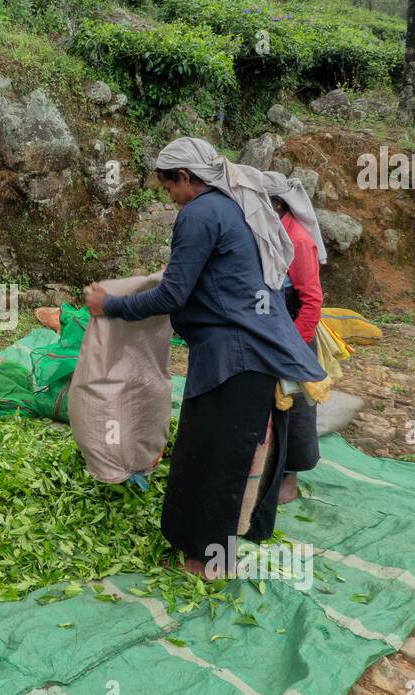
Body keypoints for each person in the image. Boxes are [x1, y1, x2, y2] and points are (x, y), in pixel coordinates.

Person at [84, 137, 326, 580]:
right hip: (252, 348)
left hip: (234, 356)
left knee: (216, 458)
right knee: (216, 450)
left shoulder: (199, 213)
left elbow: (174, 293)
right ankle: (208, 545)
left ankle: (207, 560)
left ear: (185, 178)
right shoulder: (232, 207)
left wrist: (112, 307)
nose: (170, 198)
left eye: (168, 188)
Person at [262, 170, 327, 505]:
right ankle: (266, 467)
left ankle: (290, 476)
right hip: (272, 327)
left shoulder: (298, 240)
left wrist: (294, 347)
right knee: (271, 402)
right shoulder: (268, 232)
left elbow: (312, 300)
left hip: (295, 330)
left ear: (276, 204)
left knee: (296, 403)